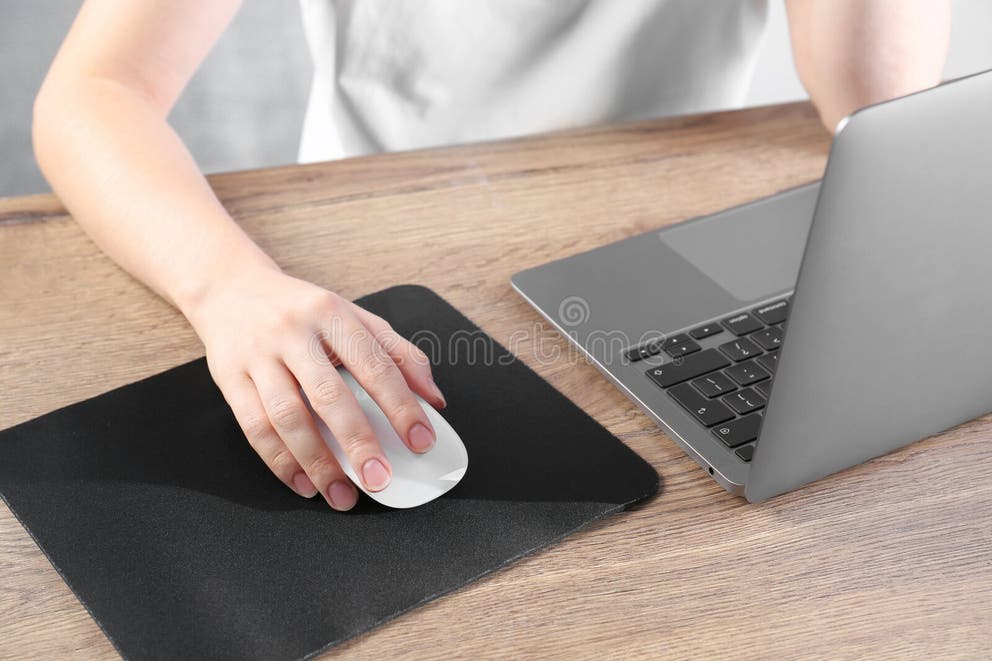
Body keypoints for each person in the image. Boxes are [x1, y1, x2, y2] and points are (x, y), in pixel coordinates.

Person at [33, 0, 950, 511]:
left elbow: (870, 100)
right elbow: (94, 92)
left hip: (673, 234)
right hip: (379, 246)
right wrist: (228, 287)